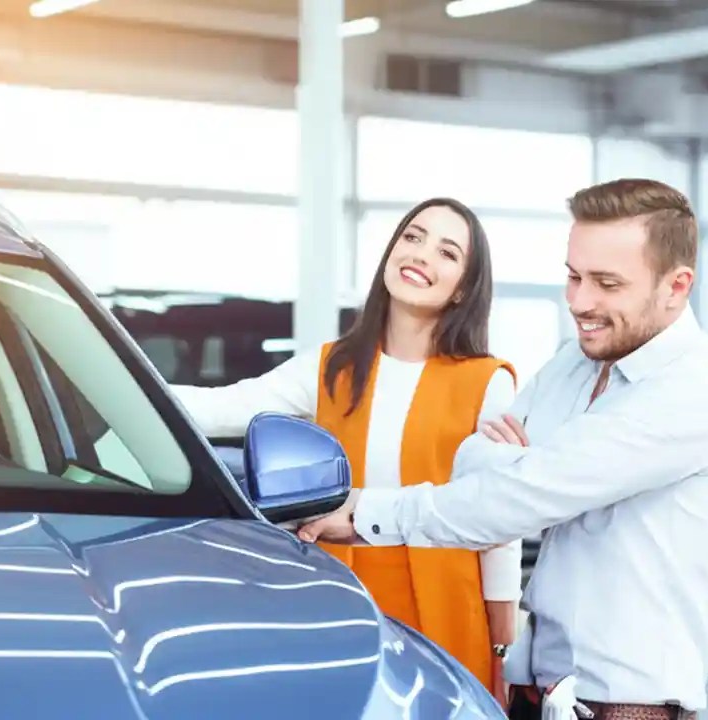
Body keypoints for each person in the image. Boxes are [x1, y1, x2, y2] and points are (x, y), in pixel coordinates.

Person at [298, 178, 708, 720]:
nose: (580, 302)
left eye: (607, 283)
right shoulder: (578, 360)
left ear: (676, 287)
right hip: (536, 688)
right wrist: (520, 471)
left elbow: (515, 500)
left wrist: (363, 512)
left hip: (621, 705)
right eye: (573, 276)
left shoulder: (695, 394)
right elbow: (474, 460)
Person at [171, 198, 522, 703]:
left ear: (463, 287)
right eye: (413, 237)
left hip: (448, 609)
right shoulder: (330, 367)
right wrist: (107, 379)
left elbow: (500, 527)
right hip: (345, 606)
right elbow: (220, 409)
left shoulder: (487, 382)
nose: (421, 255)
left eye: (447, 252)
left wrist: (504, 645)